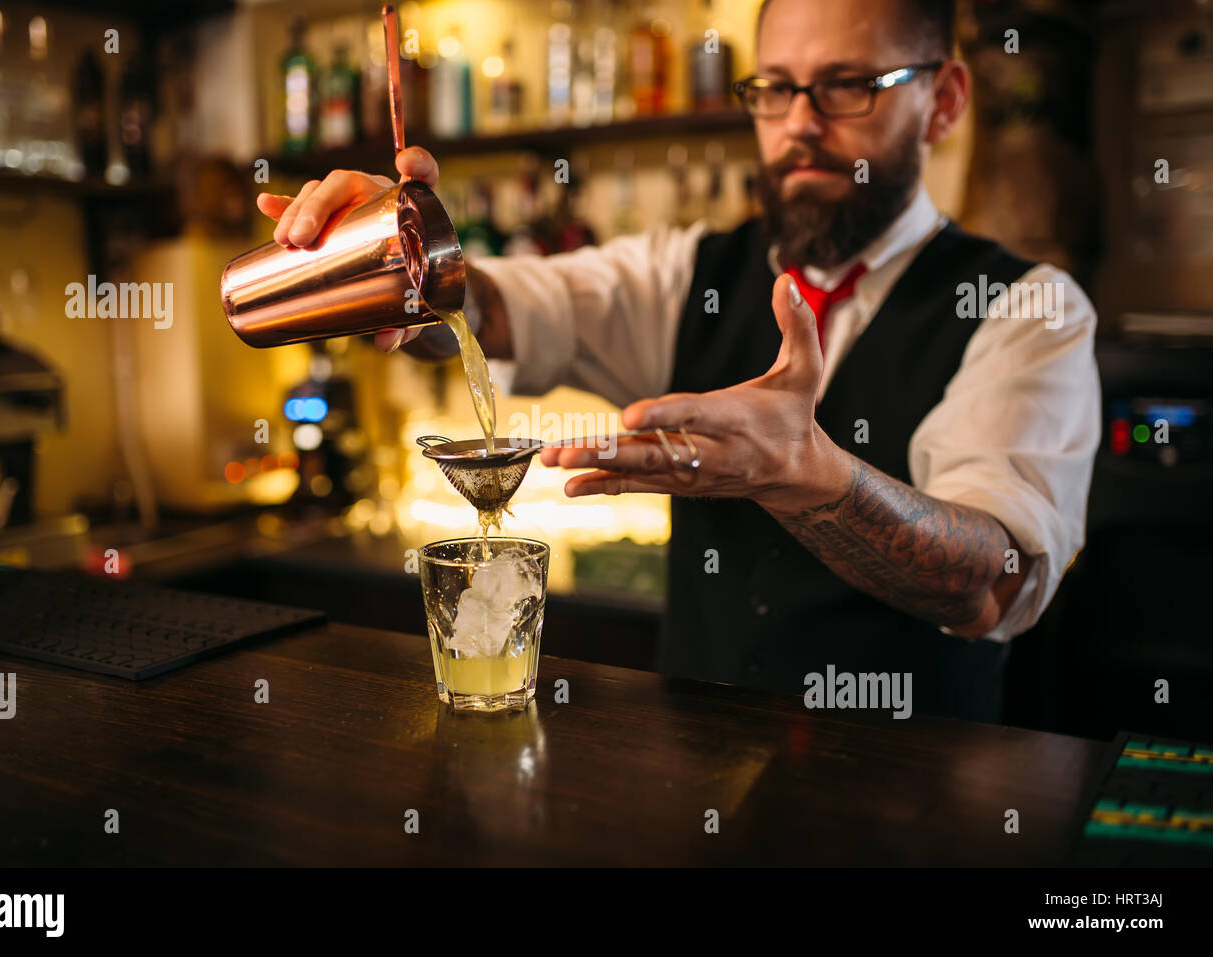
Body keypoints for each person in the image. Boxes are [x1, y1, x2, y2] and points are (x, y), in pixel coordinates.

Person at [255, 0, 1101, 722]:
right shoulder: (687, 275)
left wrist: (815, 479)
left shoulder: (1029, 306)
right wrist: (405, 264)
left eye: (847, 86)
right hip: (705, 801)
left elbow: (991, 581)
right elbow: (499, 306)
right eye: (773, 90)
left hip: (921, 817)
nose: (799, 124)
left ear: (944, 102)